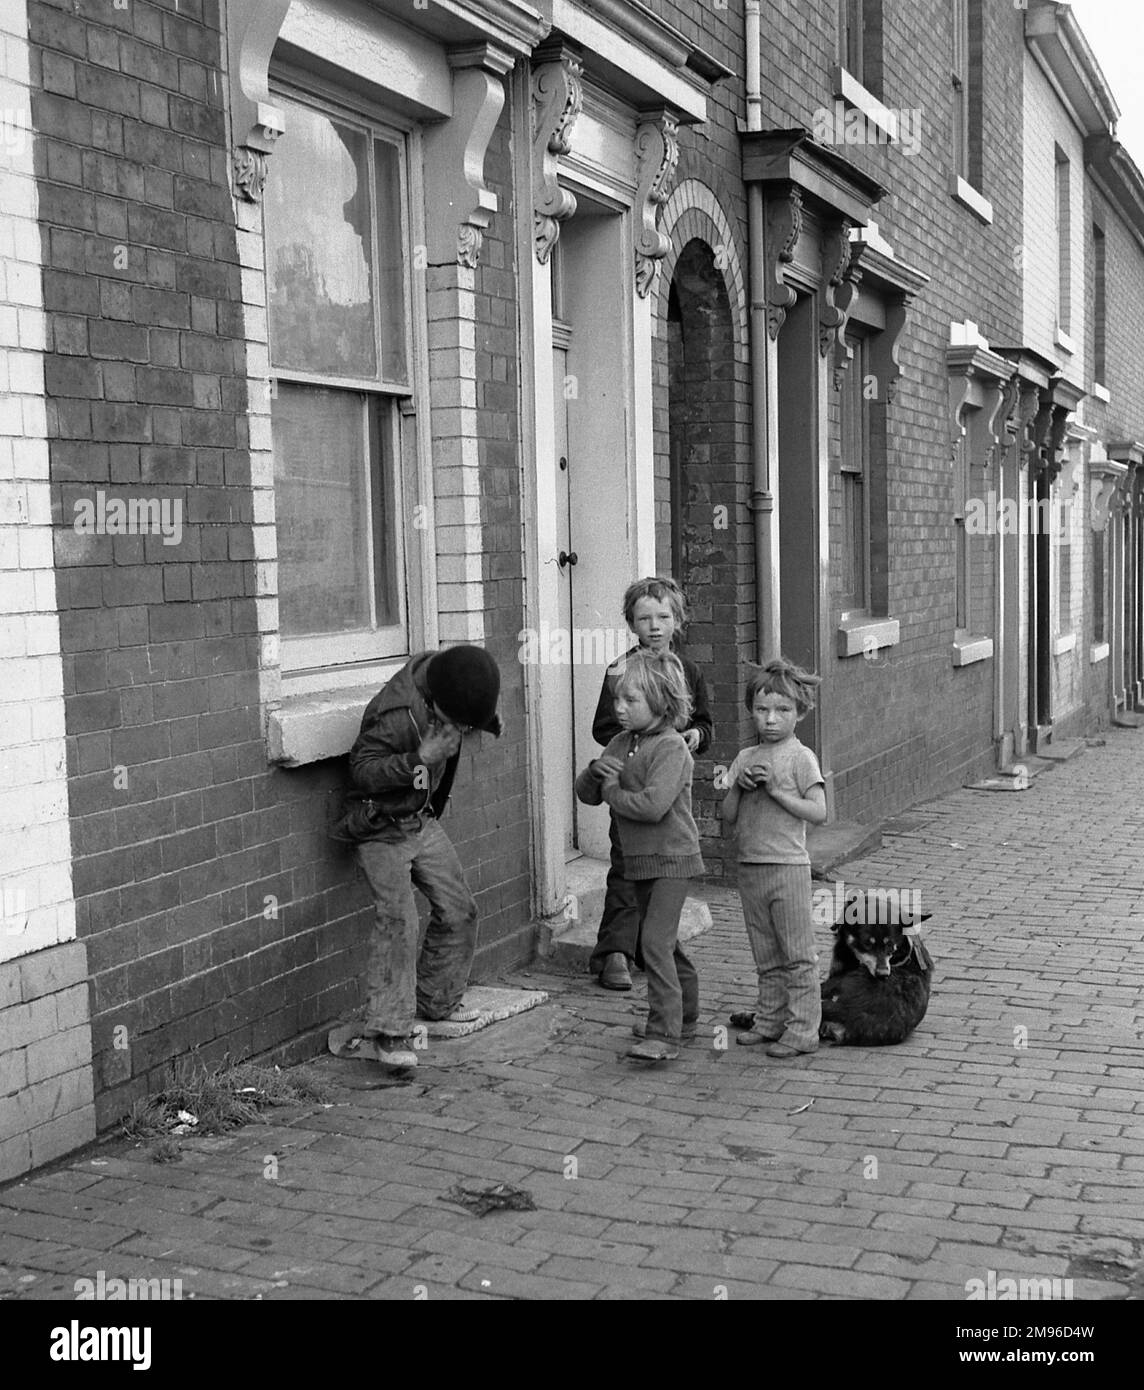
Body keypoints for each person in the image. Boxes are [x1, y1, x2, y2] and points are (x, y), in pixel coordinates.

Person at [336, 645, 502, 1067]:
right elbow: (362, 772)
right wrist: (419, 760)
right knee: (399, 921)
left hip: (419, 817)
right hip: (380, 825)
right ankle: (389, 1034)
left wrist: (478, 718)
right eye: (455, 724)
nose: (460, 732)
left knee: (459, 909)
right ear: (432, 703)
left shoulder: (451, 678)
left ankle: (436, 1001)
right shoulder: (393, 715)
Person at [575, 649, 704, 1061]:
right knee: (664, 944)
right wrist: (593, 776)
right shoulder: (620, 741)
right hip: (640, 861)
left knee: (653, 943)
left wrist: (613, 789)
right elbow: (587, 795)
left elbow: (652, 806)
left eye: (631, 700)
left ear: (662, 700)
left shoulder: (670, 749)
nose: (619, 708)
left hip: (672, 858)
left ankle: (664, 1034)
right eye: (618, 699)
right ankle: (684, 1015)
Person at [588, 577, 712, 991]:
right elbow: (604, 726)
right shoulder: (620, 670)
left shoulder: (688, 670)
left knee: (658, 879)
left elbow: (704, 722)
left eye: (664, 617)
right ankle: (615, 953)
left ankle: (652, 947)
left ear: (678, 620)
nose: (654, 626)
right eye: (644, 618)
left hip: (667, 793)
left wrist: (696, 735)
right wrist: (628, 750)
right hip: (629, 789)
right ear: (631, 623)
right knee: (625, 870)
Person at [721, 657, 827, 1058]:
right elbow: (728, 817)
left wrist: (780, 793)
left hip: (788, 868)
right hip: (750, 868)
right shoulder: (745, 758)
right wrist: (740, 788)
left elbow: (820, 812)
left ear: (800, 712)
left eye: (782, 710)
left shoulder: (801, 758)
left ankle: (803, 1030)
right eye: (762, 709)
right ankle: (769, 1020)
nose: (770, 719)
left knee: (798, 953)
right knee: (765, 952)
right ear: (751, 710)